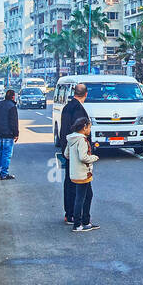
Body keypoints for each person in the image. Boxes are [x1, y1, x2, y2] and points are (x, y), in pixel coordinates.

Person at [58, 83, 89, 224]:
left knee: (69, 183)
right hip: (78, 154)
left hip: (68, 150)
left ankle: (69, 214)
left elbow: (62, 132)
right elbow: (79, 133)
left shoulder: (67, 107)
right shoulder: (79, 110)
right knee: (82, 187)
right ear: (86, 94)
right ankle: (79, 218)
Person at [65, 117, 99, 232]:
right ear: (84, 127)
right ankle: (78, 224)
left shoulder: (71, 139)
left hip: (75, 173)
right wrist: (94, 158)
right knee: (81, 198)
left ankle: (86, 221)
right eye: (89, 127)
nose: (90, 130)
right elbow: (83, 157)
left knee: (88, 195)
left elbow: (66, 154)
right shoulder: (83, 140)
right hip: (83, 173)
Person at [0, 88, 20, 180]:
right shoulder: (12, 107)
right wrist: (16, 134)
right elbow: (13, 122)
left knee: (0, 152)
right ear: (13, 97)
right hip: (8, 134)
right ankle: (4, 173)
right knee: (7, 154)